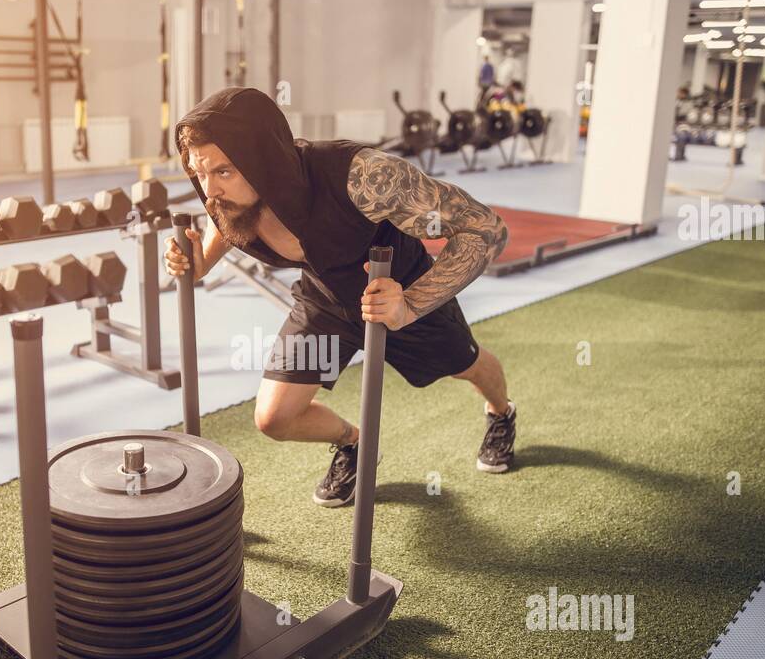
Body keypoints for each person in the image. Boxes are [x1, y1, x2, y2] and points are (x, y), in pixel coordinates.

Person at [166, 87, 517, 508]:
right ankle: (355, 443)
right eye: (199, 174)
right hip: (327, 298)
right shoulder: (226, 191)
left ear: (265, 163)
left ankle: (501, 412)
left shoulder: (364, 178)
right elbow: (224, 216)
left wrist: (412, 302)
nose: (209, 192)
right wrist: (203, 261)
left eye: (222, 173)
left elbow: (486, 229)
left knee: (467, 365)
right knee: (275, 418)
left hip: (400, 290)